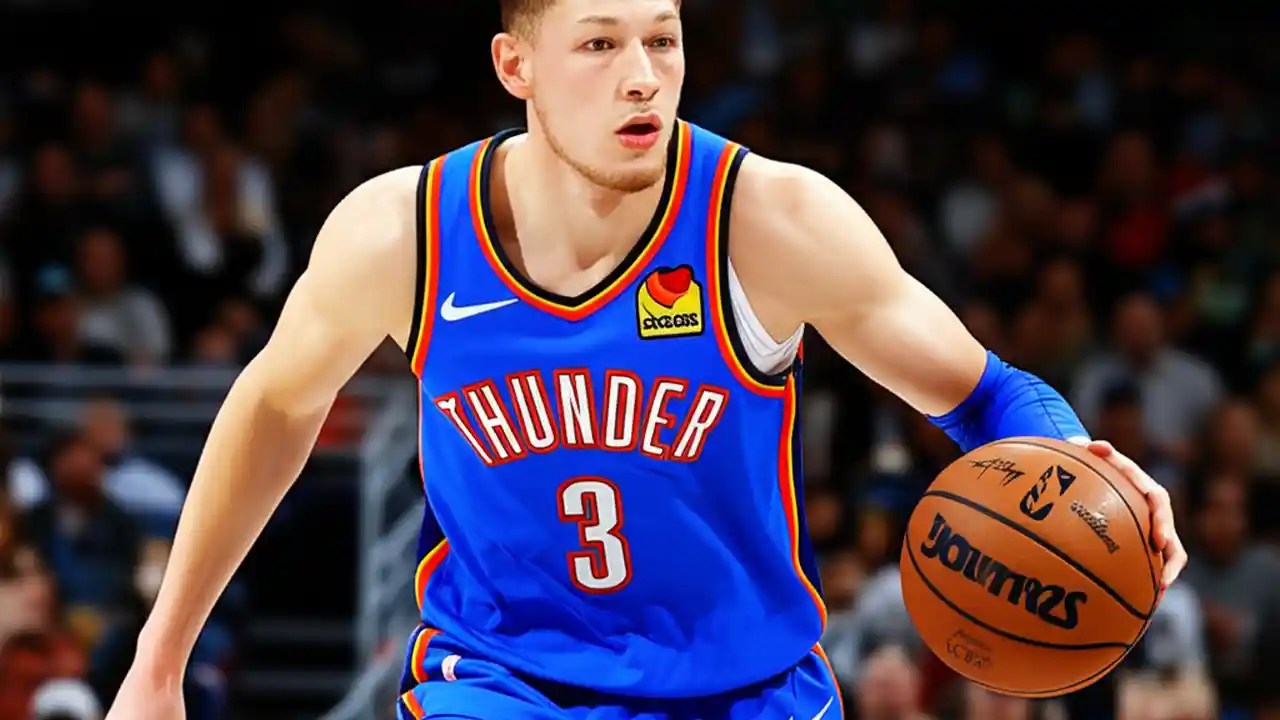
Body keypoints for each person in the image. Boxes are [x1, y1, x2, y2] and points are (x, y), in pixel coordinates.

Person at [105, 2, 1188, 718]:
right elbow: (276, 407)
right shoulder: (405, 231)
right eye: (599, 43)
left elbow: (987, 395)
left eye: (661, 41)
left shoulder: (767, 220)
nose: (641, 78)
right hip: (502, 678)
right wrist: (160, 660)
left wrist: (1070, 460)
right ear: (514, 63)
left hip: (745, 686)